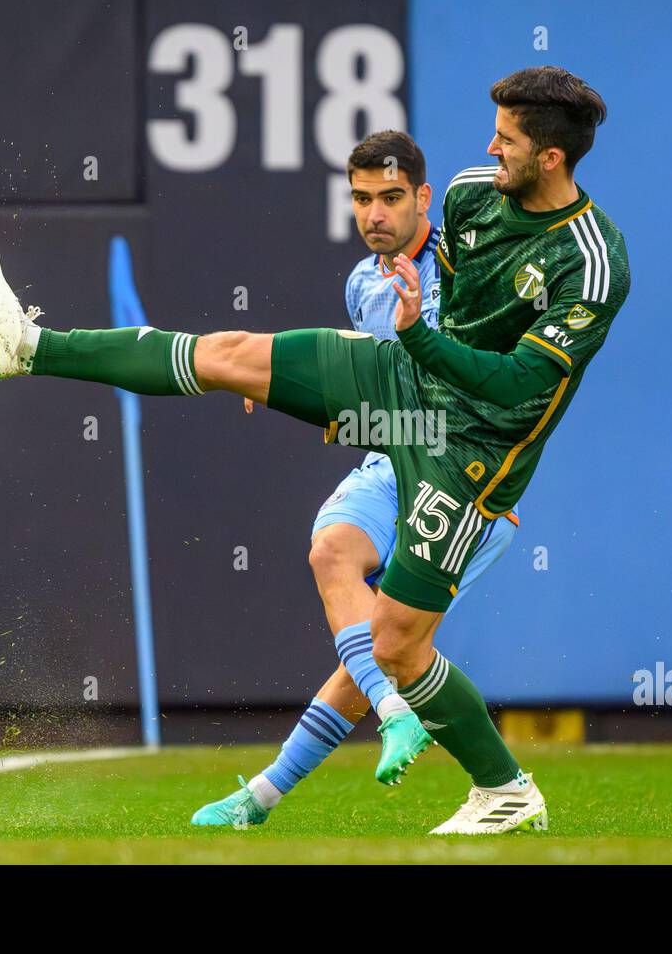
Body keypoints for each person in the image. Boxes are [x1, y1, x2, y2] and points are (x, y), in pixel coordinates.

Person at [0, 66, 628, 835]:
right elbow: (434, 305)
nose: (490, 147)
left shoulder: (593, 261)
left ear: (551, 157)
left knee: (399, 648)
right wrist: (356, 374)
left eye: (508, 139)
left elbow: (517, 389)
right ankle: (28, 344)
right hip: (404, 384)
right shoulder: (472, 192)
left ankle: (504, 789)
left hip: (472, 450)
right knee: (229, 354)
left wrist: (415, 338)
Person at [190, 131, 520, 828]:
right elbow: (369, 382)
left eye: (392, 198)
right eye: (362, 198)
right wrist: (283, 383)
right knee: (332, 554)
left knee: (381, 653)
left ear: (424, 198)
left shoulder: (468, 262)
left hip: (464, 478)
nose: (375, 214)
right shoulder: (361, 281)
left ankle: (265, 796)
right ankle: (393, 717)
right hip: (392, 460)